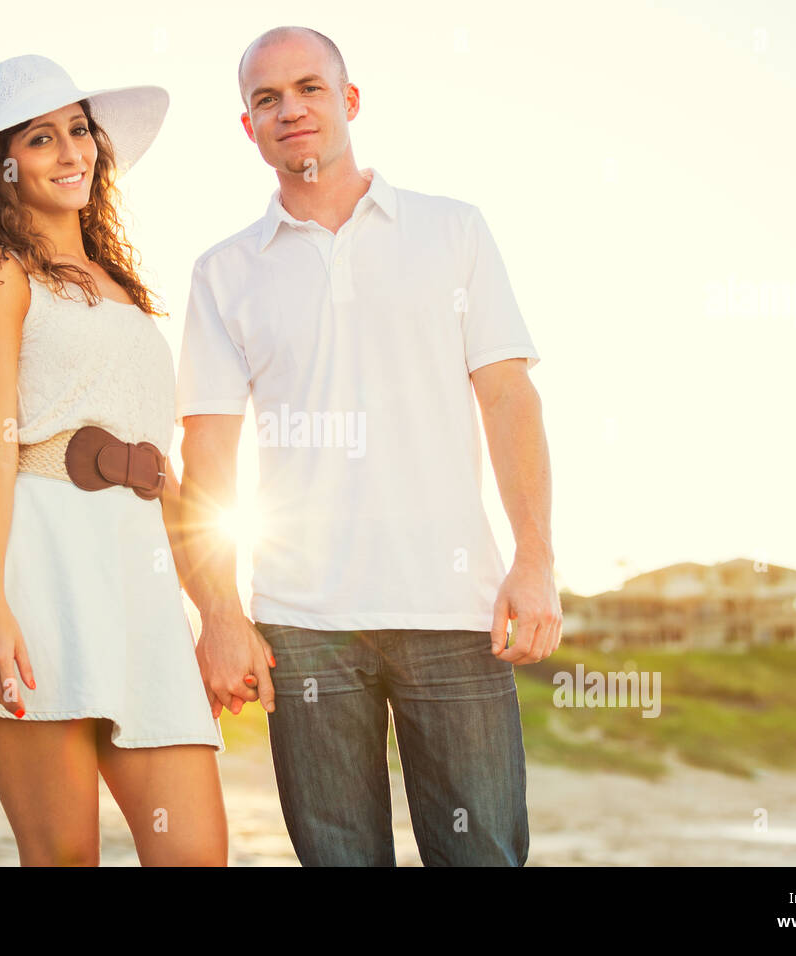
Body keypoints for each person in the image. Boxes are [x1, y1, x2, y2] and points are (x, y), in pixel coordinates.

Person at [176, 27, 560, 866]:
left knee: (483, 856)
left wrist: (534, 560)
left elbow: (508, 397)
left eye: (309, 87)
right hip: (302, 624)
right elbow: (205, 458)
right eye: (266, 98)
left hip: (455, 612)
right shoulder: (224, 273)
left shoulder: (452, 231)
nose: (291, 109)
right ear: (249, 127)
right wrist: (218, 613)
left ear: (349, 102)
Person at [0, 54, 226, 866]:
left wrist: (218, 611)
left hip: (140, 581)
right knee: (63, 859)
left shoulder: (121, 284)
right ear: (3, 169)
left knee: (194, 854)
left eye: (79, 130)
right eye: (42, 138)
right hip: (39, 568)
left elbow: (161, 470)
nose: (71, 151)